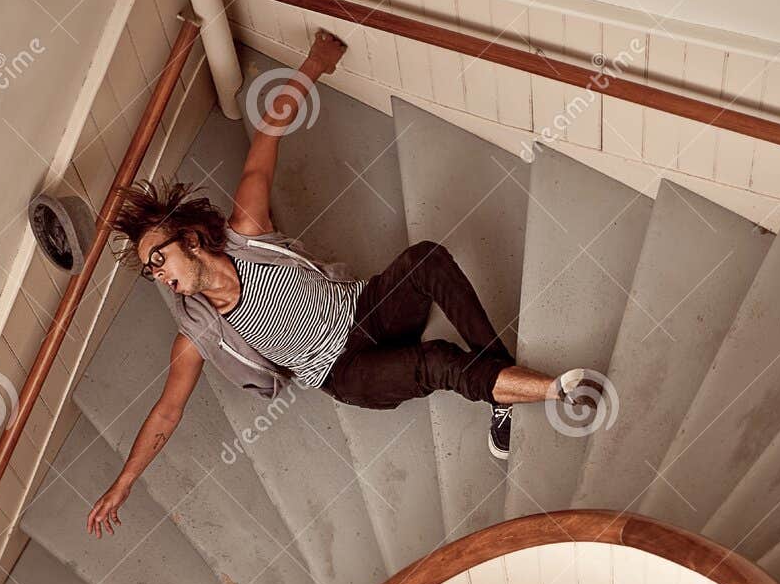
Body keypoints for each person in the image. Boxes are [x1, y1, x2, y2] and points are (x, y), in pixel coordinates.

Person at [86, 29, 594, 538]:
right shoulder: (197, 332)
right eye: (151, 271)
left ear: (192, 240)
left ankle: (500, 389)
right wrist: (124, 482)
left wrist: (314, 63)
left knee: (427, 260)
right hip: (345, 371)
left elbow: (267, 139)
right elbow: (166, 412)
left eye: (159, 258)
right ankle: (554, 390)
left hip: (364, 308)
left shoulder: (248, 230)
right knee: (437, 361)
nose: (159, 275)